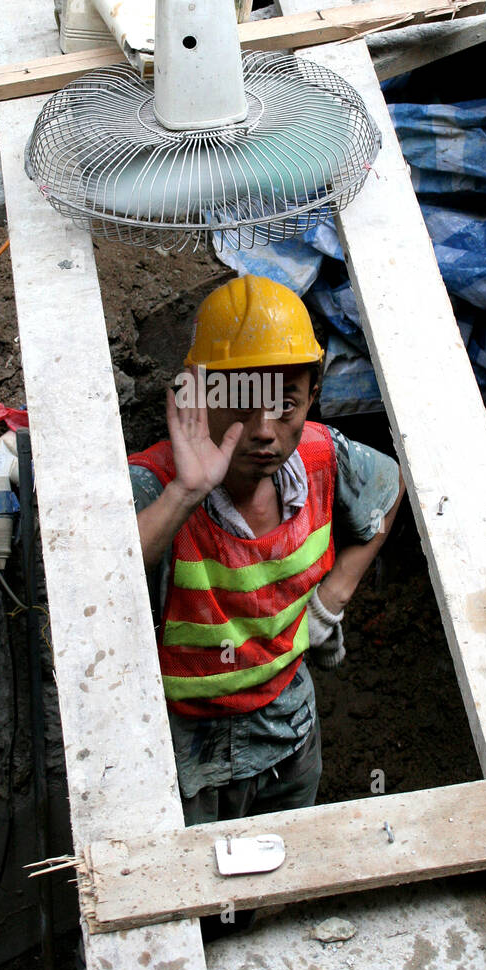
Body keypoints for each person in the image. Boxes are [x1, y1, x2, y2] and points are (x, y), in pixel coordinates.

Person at [127, 274, 405, 829]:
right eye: (239, 404)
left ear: (313, 395)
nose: (263, 430)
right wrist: (187, 492)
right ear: (197, 396)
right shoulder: (155, 487)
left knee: (281, 873)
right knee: (199, 884)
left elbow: (389, 485)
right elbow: (102, 591)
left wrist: (334, 597)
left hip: (289, 724)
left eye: (285, 404)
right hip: (186, 749)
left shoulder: (324, 458)